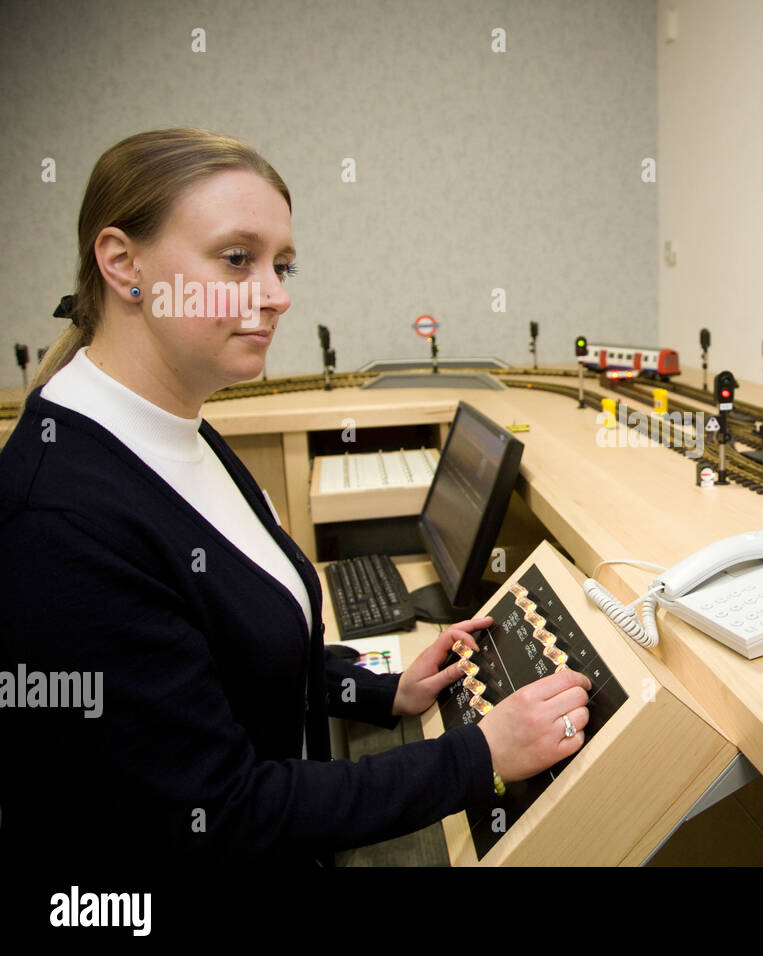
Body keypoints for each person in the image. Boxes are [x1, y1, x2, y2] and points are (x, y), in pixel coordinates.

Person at [0, 128, 590, 865]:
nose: (277, 296)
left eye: (283, 264)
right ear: (124, 265)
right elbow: (222, 810)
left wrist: (380, 693)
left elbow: (239, 659)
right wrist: (479, 755)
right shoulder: (61, 521)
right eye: (238, 259)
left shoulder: (177, 427)